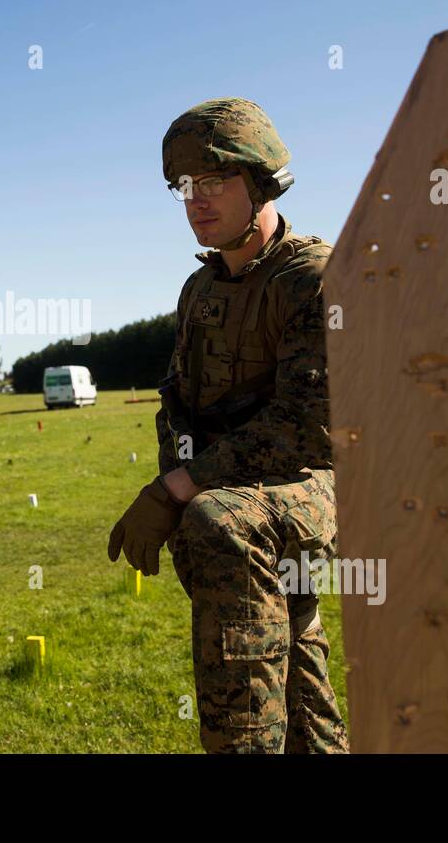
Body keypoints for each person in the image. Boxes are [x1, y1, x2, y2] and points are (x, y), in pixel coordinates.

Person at [108, 97, 349, 754]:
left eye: (214, 183)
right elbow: (177, 403)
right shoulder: (202, 291)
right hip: (234, 494)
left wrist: (176, 492)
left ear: (262, 182)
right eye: (184, 187)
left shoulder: (312, 278)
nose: (195, 201)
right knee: (292, 642)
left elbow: (306, 429)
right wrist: (174, 477)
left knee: (221, 523)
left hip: (315, 487)